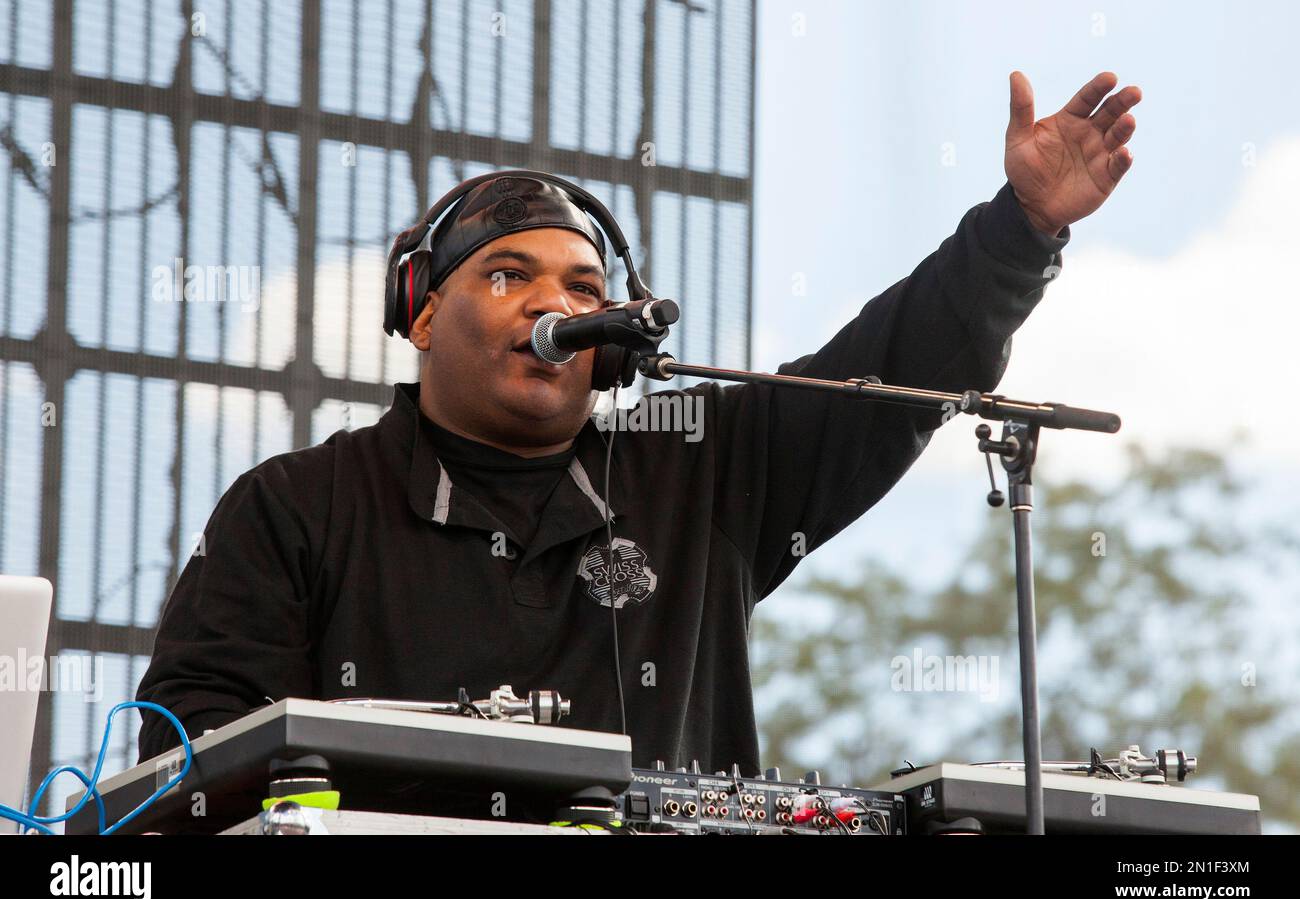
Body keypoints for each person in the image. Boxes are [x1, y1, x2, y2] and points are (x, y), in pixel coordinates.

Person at [137, 72, 1140, 774]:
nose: (554, 302)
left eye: (583, 286)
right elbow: (194, 750)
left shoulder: (704, 467)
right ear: (424, 311)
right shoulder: (295, 507)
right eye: (507, 274)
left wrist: (1019, 227)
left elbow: (897, 361)